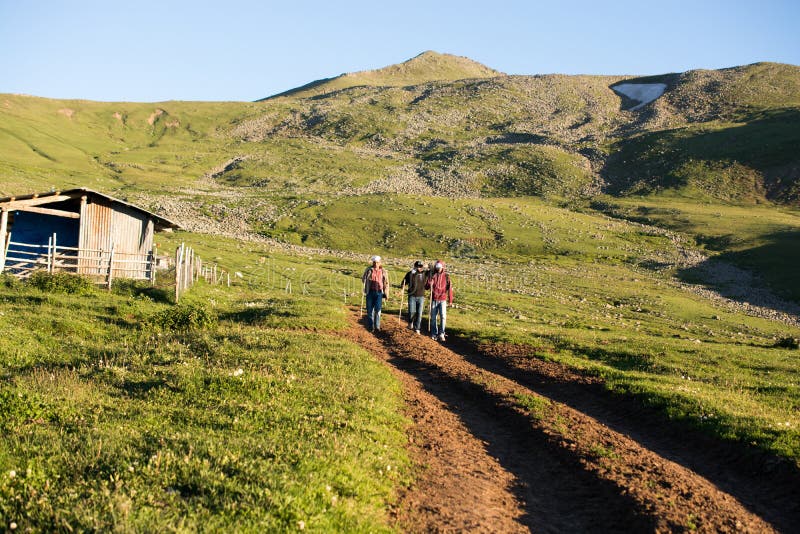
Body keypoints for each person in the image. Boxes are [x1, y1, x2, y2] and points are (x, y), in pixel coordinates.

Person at [426, 260, 453, 341]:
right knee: (433, 317)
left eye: (440, 267)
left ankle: (441, 333)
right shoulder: (432, 276)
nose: (438, 269)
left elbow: (450, 289)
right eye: (437, 267)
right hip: (434, 299)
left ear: (442, 267)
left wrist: (450, 300)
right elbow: (426, 287)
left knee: (443, 317)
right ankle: (434, 333)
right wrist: (429, 283)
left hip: (443, 300)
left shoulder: (447, 276)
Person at [400, 260, 428, 334]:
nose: (419, 268)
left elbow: (432, 272)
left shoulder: (425, 273)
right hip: (412, 295)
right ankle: (410, 323)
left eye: (420, 266)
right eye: (417, 266)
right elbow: (404, 282)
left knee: (419, 313)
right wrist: (403, 286)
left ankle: (417, 328)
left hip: (421, 296)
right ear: (415, 266)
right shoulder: (410, 273)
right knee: (411, 311)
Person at [362, 255, 389, 332]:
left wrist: (386, 294)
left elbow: (386, 283)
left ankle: (377, 326)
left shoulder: (383, 271)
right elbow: (363, 279)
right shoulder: (369, 270)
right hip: (370, 292)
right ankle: (371, 327)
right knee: (369, 310)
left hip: (379, 293)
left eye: (377, 262)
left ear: (380, 263)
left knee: (378, 309)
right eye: (374, 262)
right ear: (372, 262)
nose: (376, 264)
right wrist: (366, 282)